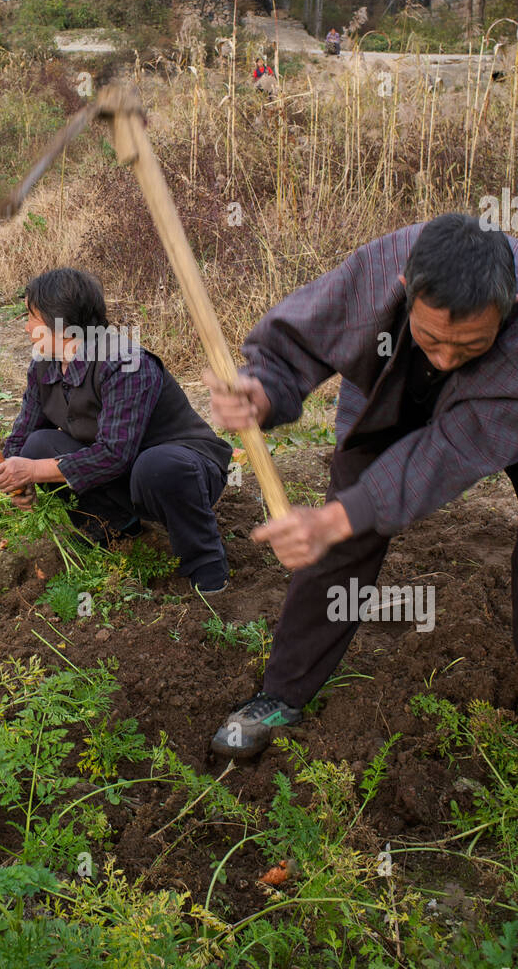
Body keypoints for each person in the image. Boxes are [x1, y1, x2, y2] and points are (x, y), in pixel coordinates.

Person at [204, 213, 518, 757]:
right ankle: (283, 692)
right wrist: (262, 392)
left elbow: (448, 452)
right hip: (390, 391)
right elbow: (294, 343)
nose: (445, 358)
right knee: (345, 533)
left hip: (504, 408)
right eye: (432, 338)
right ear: (405, 289)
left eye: (468, 346)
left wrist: (331, 520)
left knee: (344, 517)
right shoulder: (380, 270)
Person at [0, 267, 233, 593]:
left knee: (158, 466)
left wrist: (34, 471)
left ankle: (207, 571)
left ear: (63, 327)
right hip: (123, 474)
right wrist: (15, 474)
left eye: (32, 318)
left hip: (180, 470)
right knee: (38, 445)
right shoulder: (44, 364)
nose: (26, 327)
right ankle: (118, 534)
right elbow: (24, 432)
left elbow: (114, 454)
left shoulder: (125, 364)